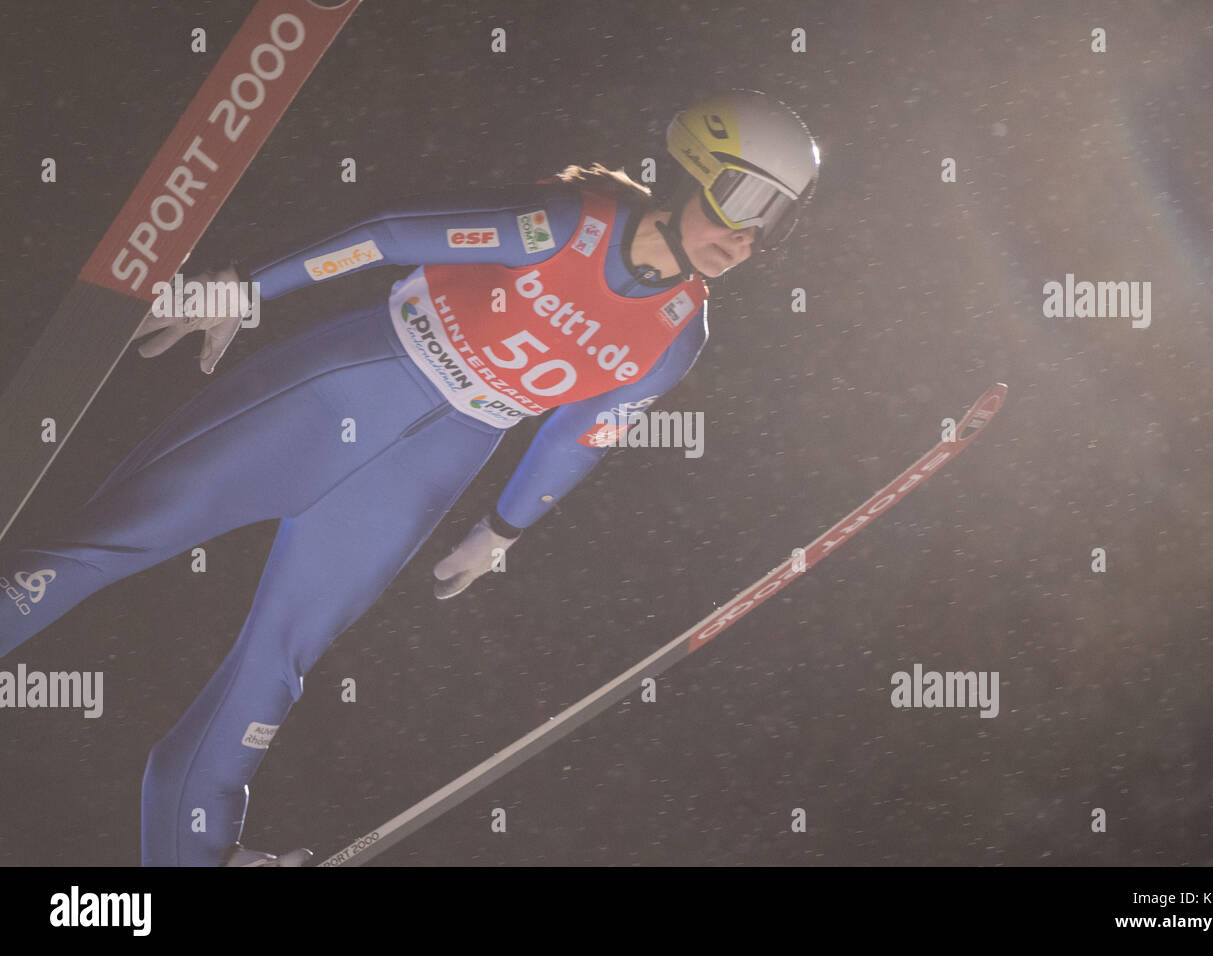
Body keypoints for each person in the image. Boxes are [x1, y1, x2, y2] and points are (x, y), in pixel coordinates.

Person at [0, 90, 819, 866]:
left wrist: (500, 530)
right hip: (338, 390)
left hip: (425, 471)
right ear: (684, 175)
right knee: (111, 545)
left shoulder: (680, 332)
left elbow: (586, 432)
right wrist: (249, 294)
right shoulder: (568, 226)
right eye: (740, 201)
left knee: (274, 667)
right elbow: (391, 235)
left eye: (774, 221)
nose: (747, 237)